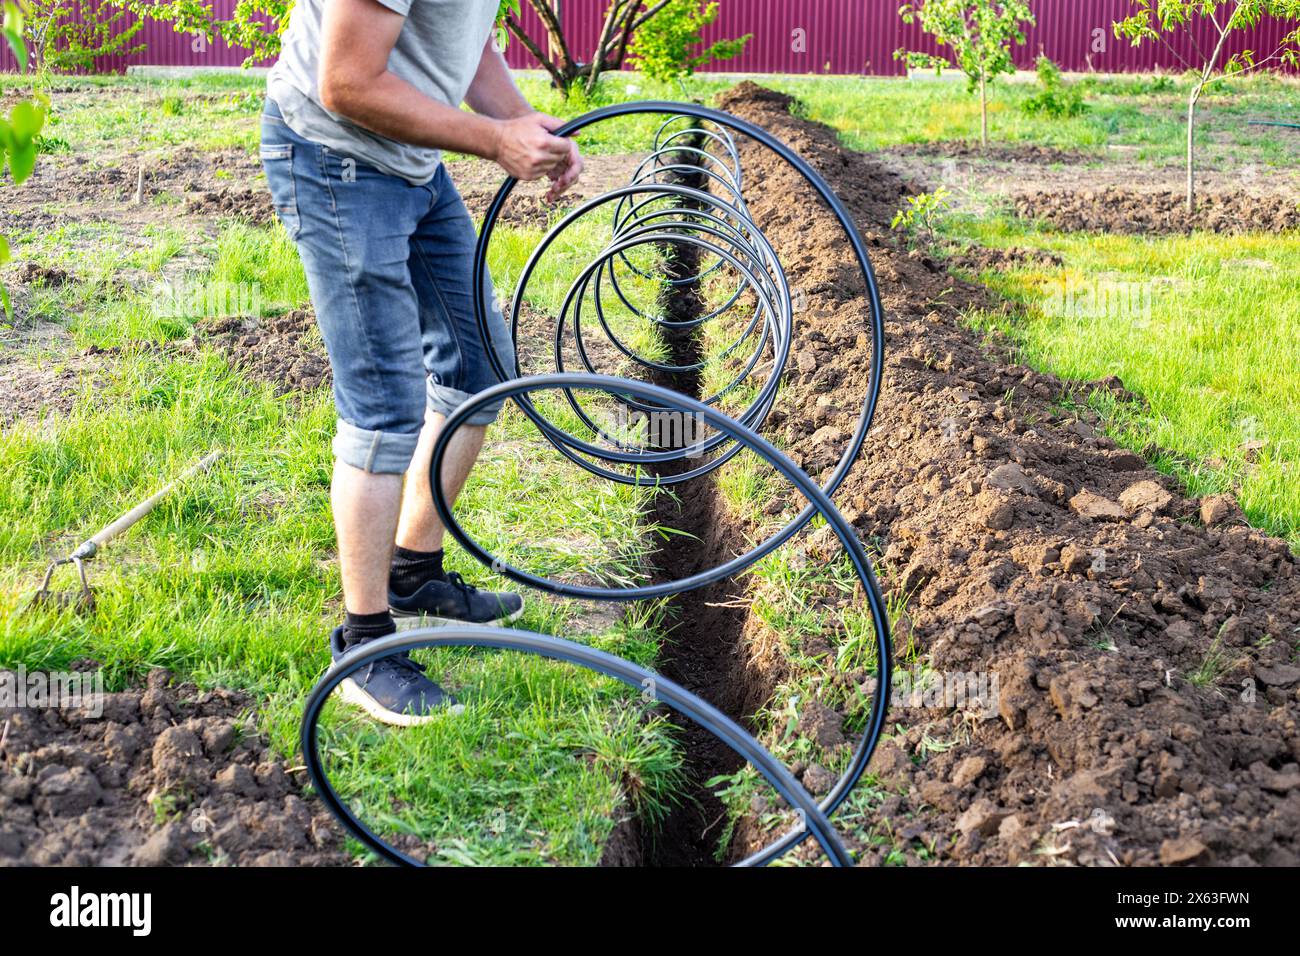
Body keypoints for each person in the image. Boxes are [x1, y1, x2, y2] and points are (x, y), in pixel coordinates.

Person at [260, 0, 584, 726]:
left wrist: (531, 123)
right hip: (334, 155)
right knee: (384, 410)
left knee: (480, 369)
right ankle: (364, 645)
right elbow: (347, 81)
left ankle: (413, 570)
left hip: (410, 163)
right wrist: (493, 139)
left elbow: (460, 42)